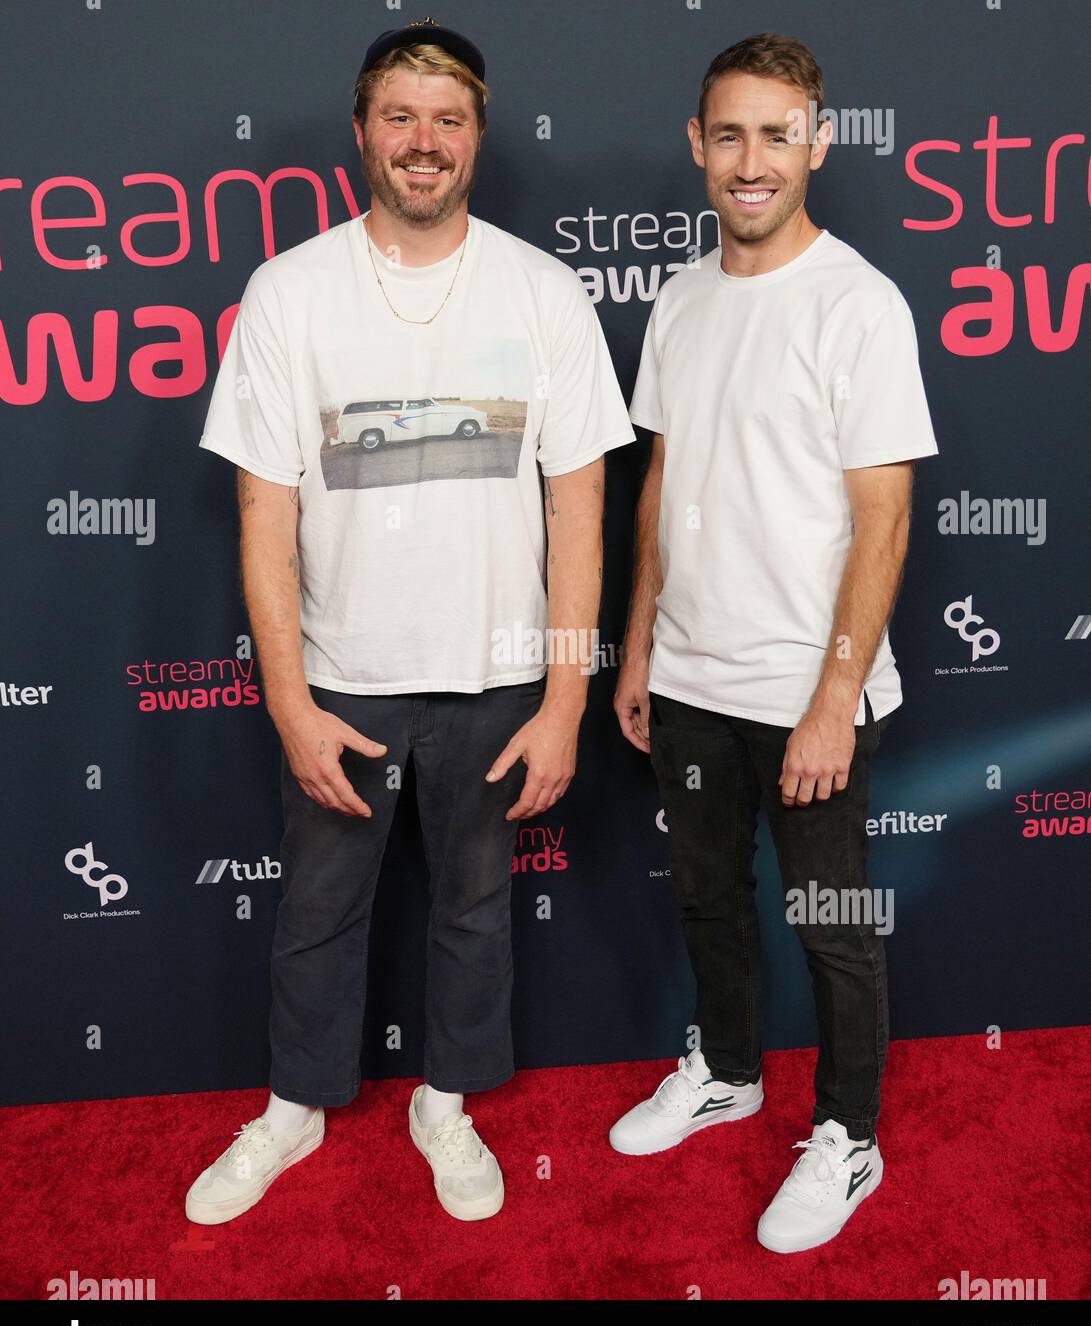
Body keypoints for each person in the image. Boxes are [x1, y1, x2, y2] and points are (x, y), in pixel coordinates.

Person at [189, 18, 634, 1225]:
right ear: (361, 133)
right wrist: (288, 699)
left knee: (475, 908)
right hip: (343, 677)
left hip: (499, 677)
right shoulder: (287, 293)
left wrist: (561, 699)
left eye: (446, 119)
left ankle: (447, 1100)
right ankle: (293, 1106)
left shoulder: (544, 290)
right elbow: (261, 510)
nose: (422, 142)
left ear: (478, 137)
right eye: (400, 117)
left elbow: (579, 504)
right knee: (317, 910)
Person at [611, 31, 939, 1254]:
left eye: (777, 133)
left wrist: (830, 697)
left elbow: (884, 513)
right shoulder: (680, 297)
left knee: (831, 924)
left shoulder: (857, 304)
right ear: (698, 146)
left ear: (819, 140)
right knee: (706, 899)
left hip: (804, 688)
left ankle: (847, 1134)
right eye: (729, 135)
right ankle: (729, 1071)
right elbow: (659, 483)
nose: (753, 160)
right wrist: (637, 644)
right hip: (688, 678)